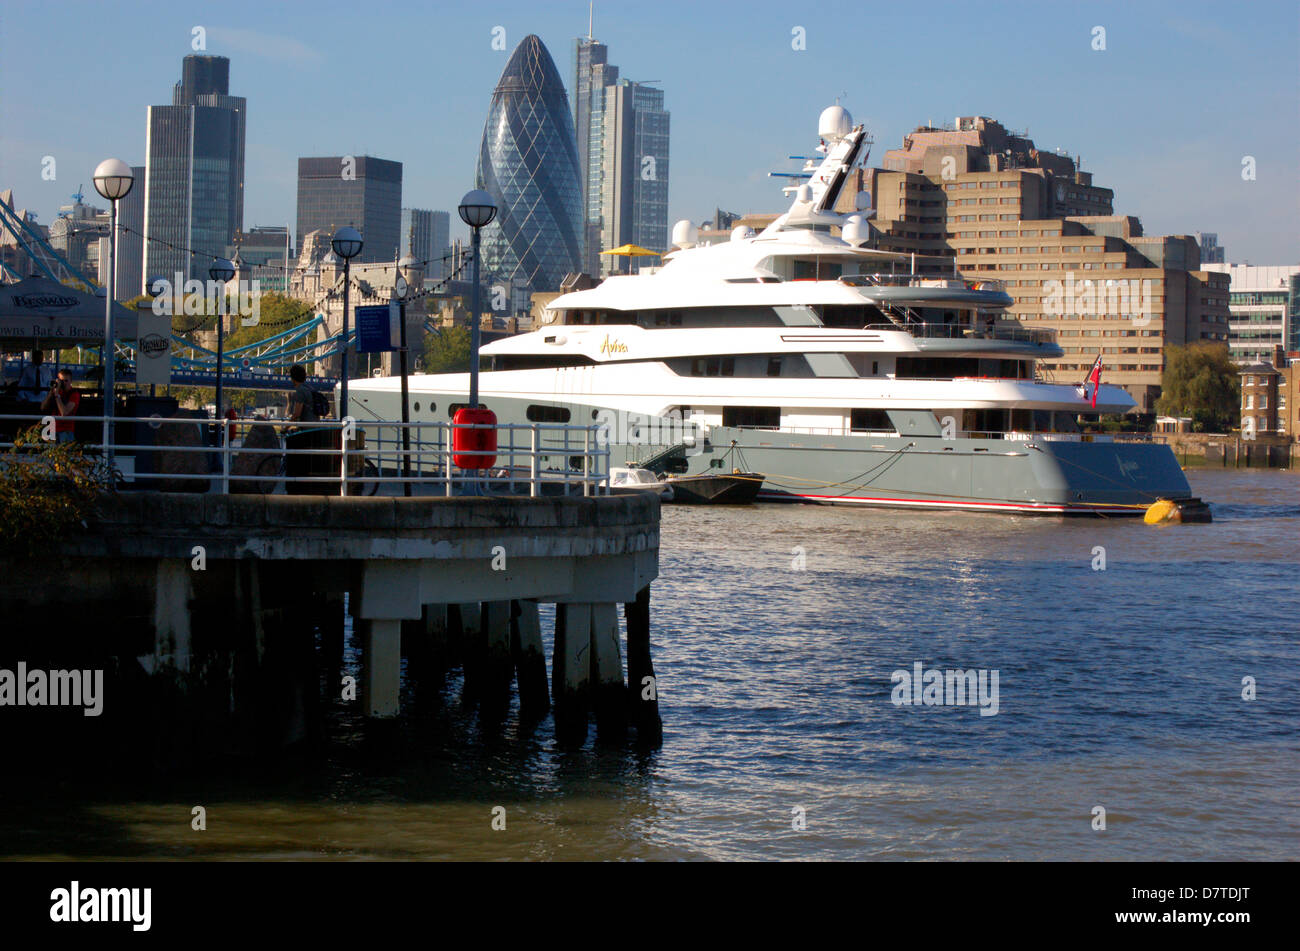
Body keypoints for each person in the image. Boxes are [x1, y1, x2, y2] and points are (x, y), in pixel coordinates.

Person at [40, 370, 80, 442]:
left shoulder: (74, 394)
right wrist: (51, 392)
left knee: (65, 452)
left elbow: (64, 413)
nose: (63, 383)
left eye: (66, 381)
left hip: (66, 431)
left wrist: (57, 395)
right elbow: (43, 408)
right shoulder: (56, 392)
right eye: (61, 381)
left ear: (71, 381)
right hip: (52, 429)